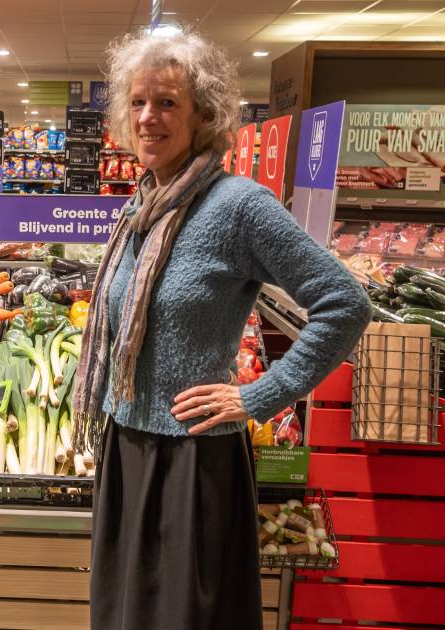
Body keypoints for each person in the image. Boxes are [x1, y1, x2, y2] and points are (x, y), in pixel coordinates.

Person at [71, 29, 371, 630]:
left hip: (193, 463)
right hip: (127, 449)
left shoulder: (239, 206)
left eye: (167, 103)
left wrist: (255, 396)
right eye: (137, 103)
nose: (148, 117)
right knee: (123, 613)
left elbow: (345, 303)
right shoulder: (143, 204)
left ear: (204, 113)